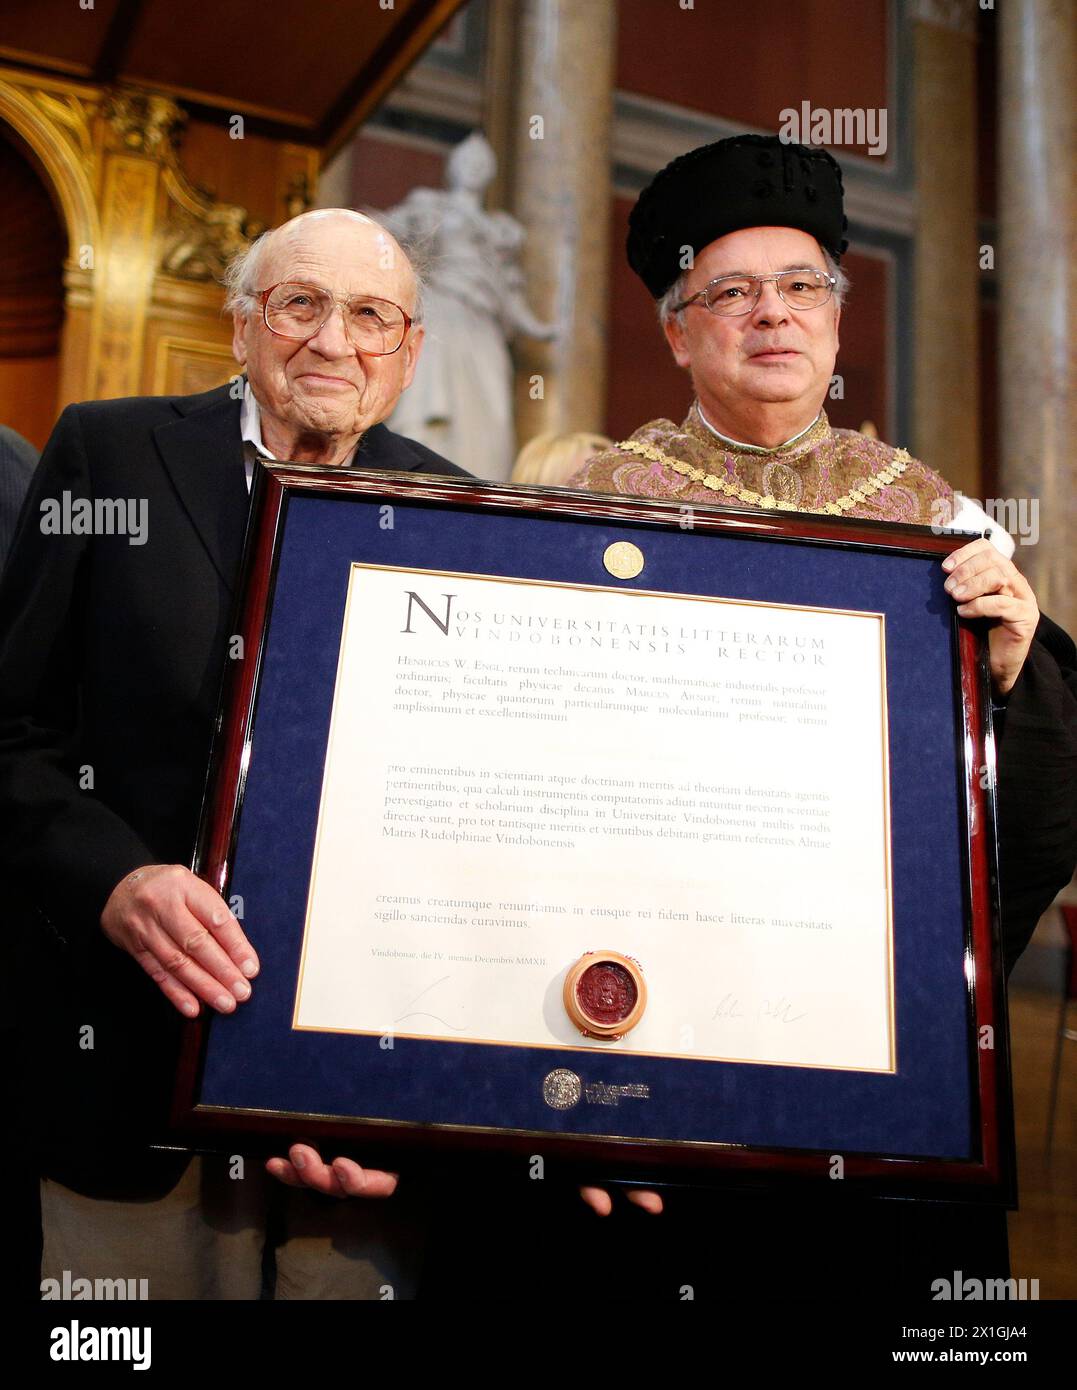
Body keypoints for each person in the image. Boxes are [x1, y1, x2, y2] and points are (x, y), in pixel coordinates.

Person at [551, 133, 1077, 1283]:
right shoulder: (593, 509)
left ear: (835, 320)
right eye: (731, 293)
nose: (773, 316)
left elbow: (1025, 810)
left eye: (802, 288)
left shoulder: (930, 512)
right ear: (678, 329)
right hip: (651, 1016)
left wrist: (1015, 669)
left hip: (869, 1028)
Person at [0, 208, 473, 1300]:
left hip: (353, 1087)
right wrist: (112, 880)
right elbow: (10, 730)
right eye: (300, 304)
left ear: (406, 353)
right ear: (243, 326)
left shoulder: (454, 508)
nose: (333, 341)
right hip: (120, 1055)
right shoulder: (108, 450)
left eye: (371, 315)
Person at [381, 132, 557, 481]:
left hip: (483, 325)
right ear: (454, 167)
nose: (474, 168)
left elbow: (509, 290)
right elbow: (386, 233)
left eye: (482, 164)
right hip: (443, 312)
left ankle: (479, 484)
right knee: (429, 407)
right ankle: (421, 476)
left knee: (491, 413)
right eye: (468, 161)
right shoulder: (430, 205)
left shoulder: (501, 230)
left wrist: (539, 328)